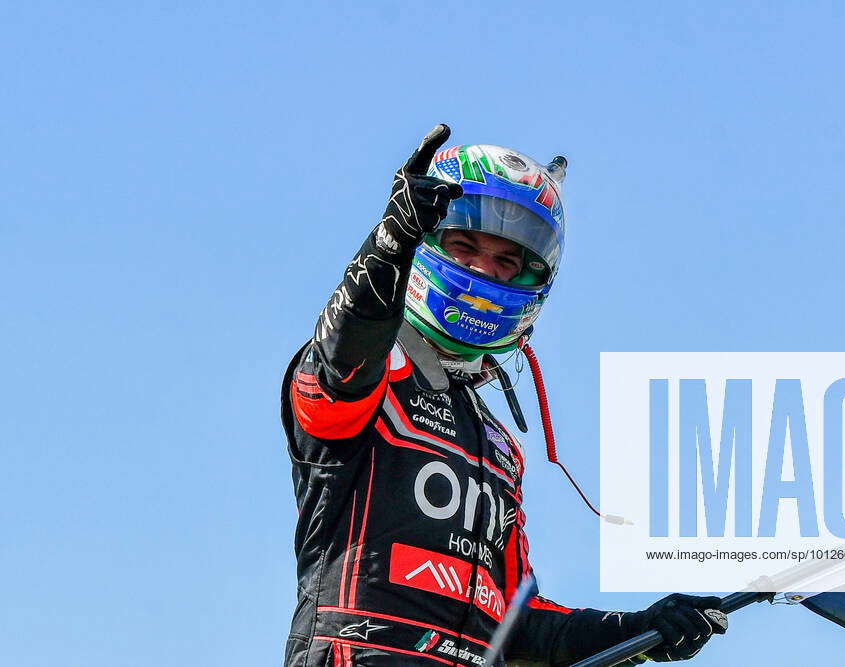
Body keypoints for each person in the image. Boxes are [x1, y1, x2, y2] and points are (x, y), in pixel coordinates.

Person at [280, 125, 727, 666]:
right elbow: (345, 354)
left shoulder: (500, 447)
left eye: (505, 261)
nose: (481, 270)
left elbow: (517, 622)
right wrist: (388, 245)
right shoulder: (363, 378)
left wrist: (642, 629)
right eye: (464, 246)